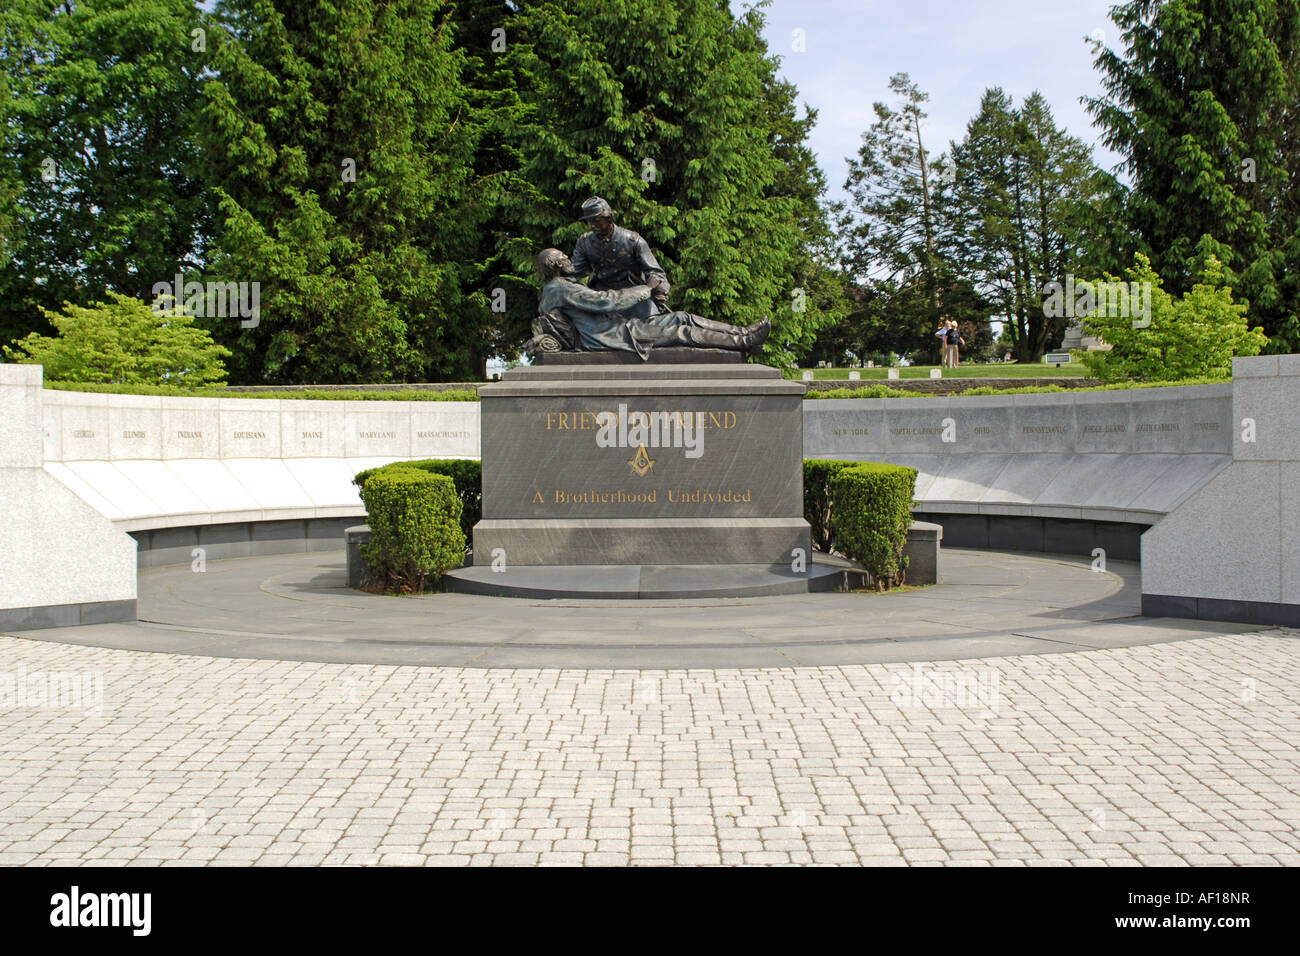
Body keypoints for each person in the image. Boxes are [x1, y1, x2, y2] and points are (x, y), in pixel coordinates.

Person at [528, 248, 769, 359]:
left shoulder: (557, 288)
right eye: (563, 258)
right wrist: (647, 289)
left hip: (618, 327)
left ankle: (743, 331)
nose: (569, 260)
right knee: (680, 330)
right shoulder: (559, 288)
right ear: (555, 265)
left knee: (682, 316)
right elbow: (605, 302)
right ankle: (745, 342)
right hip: (611, 335)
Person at [569, 197, 670, 314]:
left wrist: (659, 293)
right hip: (602, 297)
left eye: (596, 220)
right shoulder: (584, 242)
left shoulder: (633, 241)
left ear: (609, 218)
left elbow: (656, 273)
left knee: (651, 325)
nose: (592, 225)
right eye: (589, 221)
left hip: (633, 296)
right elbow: (574, 273)